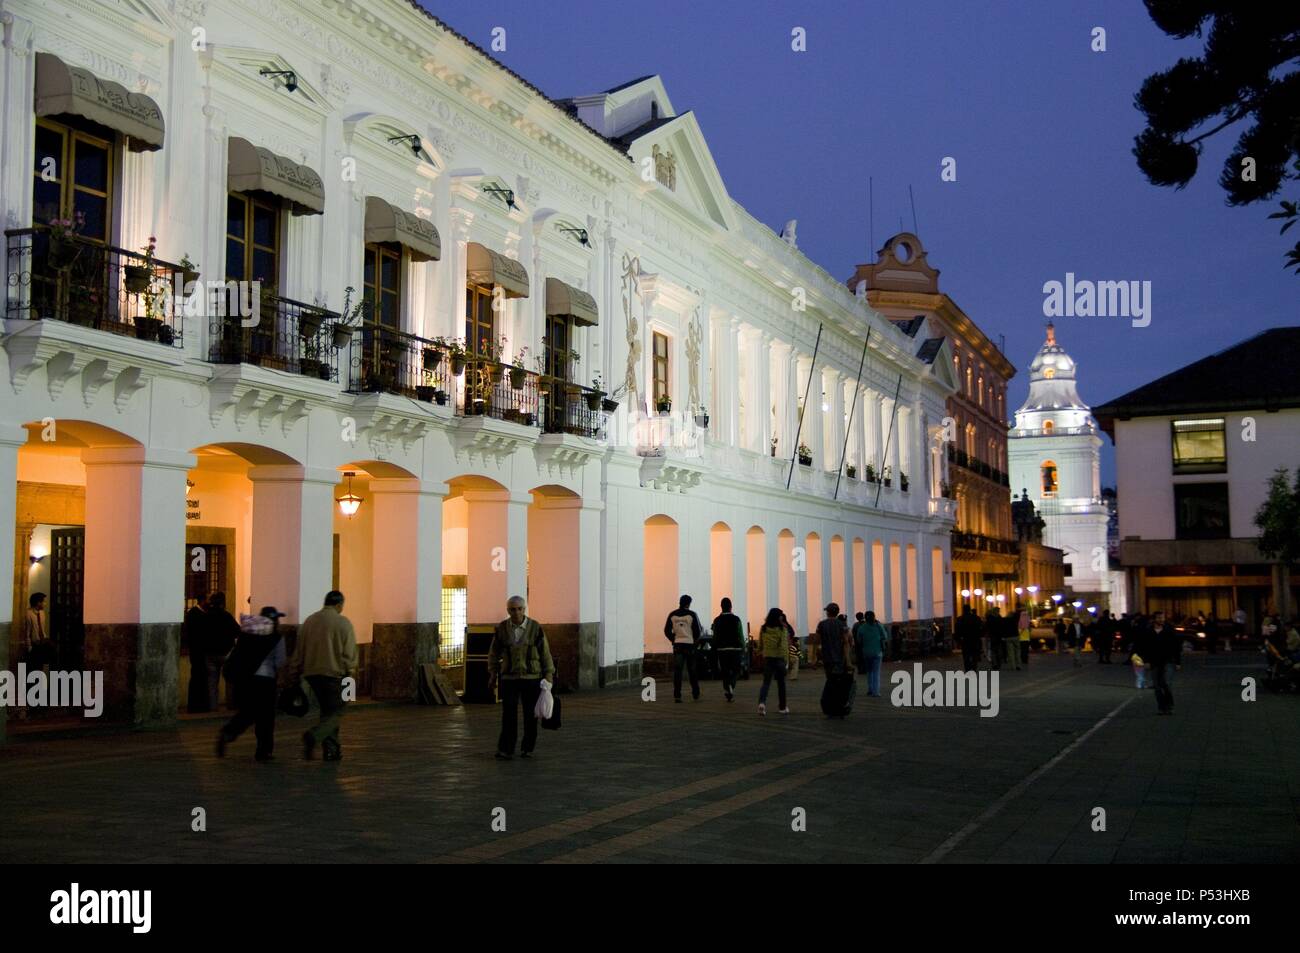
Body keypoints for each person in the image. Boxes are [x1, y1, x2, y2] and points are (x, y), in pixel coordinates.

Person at [289, 590, 358, 761]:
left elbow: (299, 651)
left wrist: (294, 672)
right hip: (336, 675)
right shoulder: (343, 623)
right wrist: (351, 672)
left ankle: (332, 750)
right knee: (339, 711)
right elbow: (349, 653)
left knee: (328, 712)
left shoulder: (310, 621)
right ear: (339, 605)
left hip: (312, 675)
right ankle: (314, 735)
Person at [488, 595, 555, 760]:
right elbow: (494, 653)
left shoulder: (535, 628)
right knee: (508, 714)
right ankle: (506, 749)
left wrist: (548, 675)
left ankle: (528, 748)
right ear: (508, 610)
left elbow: (545, 653)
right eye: (512, 609)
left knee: (530, 715)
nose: (516, 612)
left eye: (519, 609)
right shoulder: (502, 629)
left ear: (525, 609)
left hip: (531, 678)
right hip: (509, 678)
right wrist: (493, 673)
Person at [216, 607, 286, 761]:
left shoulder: (247, 635)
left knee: (248, 712)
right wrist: (282, 681)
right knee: (266, 718)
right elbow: (280, 662)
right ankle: (264, 751)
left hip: (246, 680)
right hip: (266, 681)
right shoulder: (277, 638)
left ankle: (228, 732)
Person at [663, 594, 704, 702]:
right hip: (689, 645)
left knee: (678, 670)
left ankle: (677, 695)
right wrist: (694, 641)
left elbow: (666, 630)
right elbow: (698, 631)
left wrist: (673, 639)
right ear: (688, 603)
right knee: (692, 670)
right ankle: (695, 693)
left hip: (678, 645)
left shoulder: (672, 614)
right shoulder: (692, 615)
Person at [203, 592, 240, 711]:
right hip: (226, 653)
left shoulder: (206, 616)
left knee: (212, 683)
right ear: (223, 603)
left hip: (209, 653)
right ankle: (231, 706)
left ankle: (213, 708)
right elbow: (237, 631)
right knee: (230, 680)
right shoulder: (226, 616)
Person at [1146, 611, 1182, 714]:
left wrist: (1178, 662)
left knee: (1165, 683)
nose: (1161, 620)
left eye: (1162, 618)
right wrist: (1146, 661)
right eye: (1159, 618)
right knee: (1157, 686)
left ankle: (1169, 706)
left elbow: (1176, 647)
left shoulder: (1169, 630)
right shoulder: (1149, 631)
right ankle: (1161, 707)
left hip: (1167, 661)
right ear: (1154, 619)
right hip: (1154, 661)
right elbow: (1145, 647)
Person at [757, 608, 790, 716]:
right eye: (781, 615)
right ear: (778, 617)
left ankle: (762, 703)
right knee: (781, 684)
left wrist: (760, 651)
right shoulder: (782, 629)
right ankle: (782, 707)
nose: (782, 616)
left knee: (766, 683)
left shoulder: (764, 628)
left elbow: (760, 645)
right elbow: (784, 646)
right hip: (779, 658)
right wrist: (786, 661)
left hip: (768, 658)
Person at [712, 598, 745, 702]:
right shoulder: (736, 619)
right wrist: (743, 647)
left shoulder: (717, 620)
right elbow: (740, 634)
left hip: (722, 649)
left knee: (725, 671)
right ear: (731, 607)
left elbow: (715, 636)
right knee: (736, 670)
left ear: (721, 607)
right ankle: (731, 685)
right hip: (735, 649)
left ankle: (728, 691)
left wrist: (715, 647)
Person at [857, 610, 889, 697]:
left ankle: (870, 689)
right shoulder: (878, 626)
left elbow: (859, 640)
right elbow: (885, 636)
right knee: (876, 672)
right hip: (877, 652)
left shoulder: (862, 628)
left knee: (869, 671)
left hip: (866, 652)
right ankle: (876, 691)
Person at [816, 603, 851, 676]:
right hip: (839, 657)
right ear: (837, 612)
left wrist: (816, 659)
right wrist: (848, 661)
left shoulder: (822, 624)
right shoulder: (842, 624)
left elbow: (817, 642)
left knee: (829, 677)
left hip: (827, 657)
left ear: (828, 612)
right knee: (838, 679)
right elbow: (846, 642)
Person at [23, 592, 52, 669]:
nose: (45, 604)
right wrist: (29, 647)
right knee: (34, 668)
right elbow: (27, 632)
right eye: (44, 601)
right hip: (35, 645)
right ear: (38, 603)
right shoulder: (28, 614)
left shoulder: (42, 613)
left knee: (41, 667)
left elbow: (42, 628)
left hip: (42, 643)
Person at [956, 606, 982, 673]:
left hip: (965, 639)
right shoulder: (976, 618)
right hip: (975, 638)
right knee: (974, 654)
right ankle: (974, 667)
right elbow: (981, 627)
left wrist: (958, 639)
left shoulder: (960, 619)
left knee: (966, 655)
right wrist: (979, 636)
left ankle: (967, 668)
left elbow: (957, 630)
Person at [781, 611, 799, 681]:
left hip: (781, 647)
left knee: (783, 660)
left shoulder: (776, 626)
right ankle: (793, 675)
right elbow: (792, 633)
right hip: (789, 644)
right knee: (794, 660)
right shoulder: (787, 625)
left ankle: (781, 673)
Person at [984, 605, 1003, 671]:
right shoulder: (999, 618)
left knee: (993, 651)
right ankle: (998, 664)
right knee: (998, 651)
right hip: (998, 636)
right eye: (998, 611)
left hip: (992, 636)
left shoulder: (989, 618)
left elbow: (986, 627)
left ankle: (994, 663)